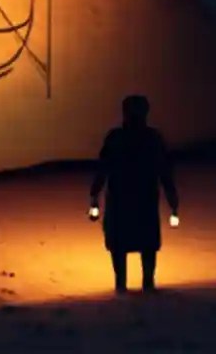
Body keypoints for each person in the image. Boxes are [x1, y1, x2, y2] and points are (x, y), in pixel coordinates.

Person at [89, 94, 179, 294]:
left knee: (121, 244)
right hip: (143, 198)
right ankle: (146, 284)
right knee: (144, 243)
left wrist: (95, 194)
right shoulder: (152, 139)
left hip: (123, 198)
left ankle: (124, 285)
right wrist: (172, 197)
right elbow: (164, 169)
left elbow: (103, 167)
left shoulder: (117, 138)